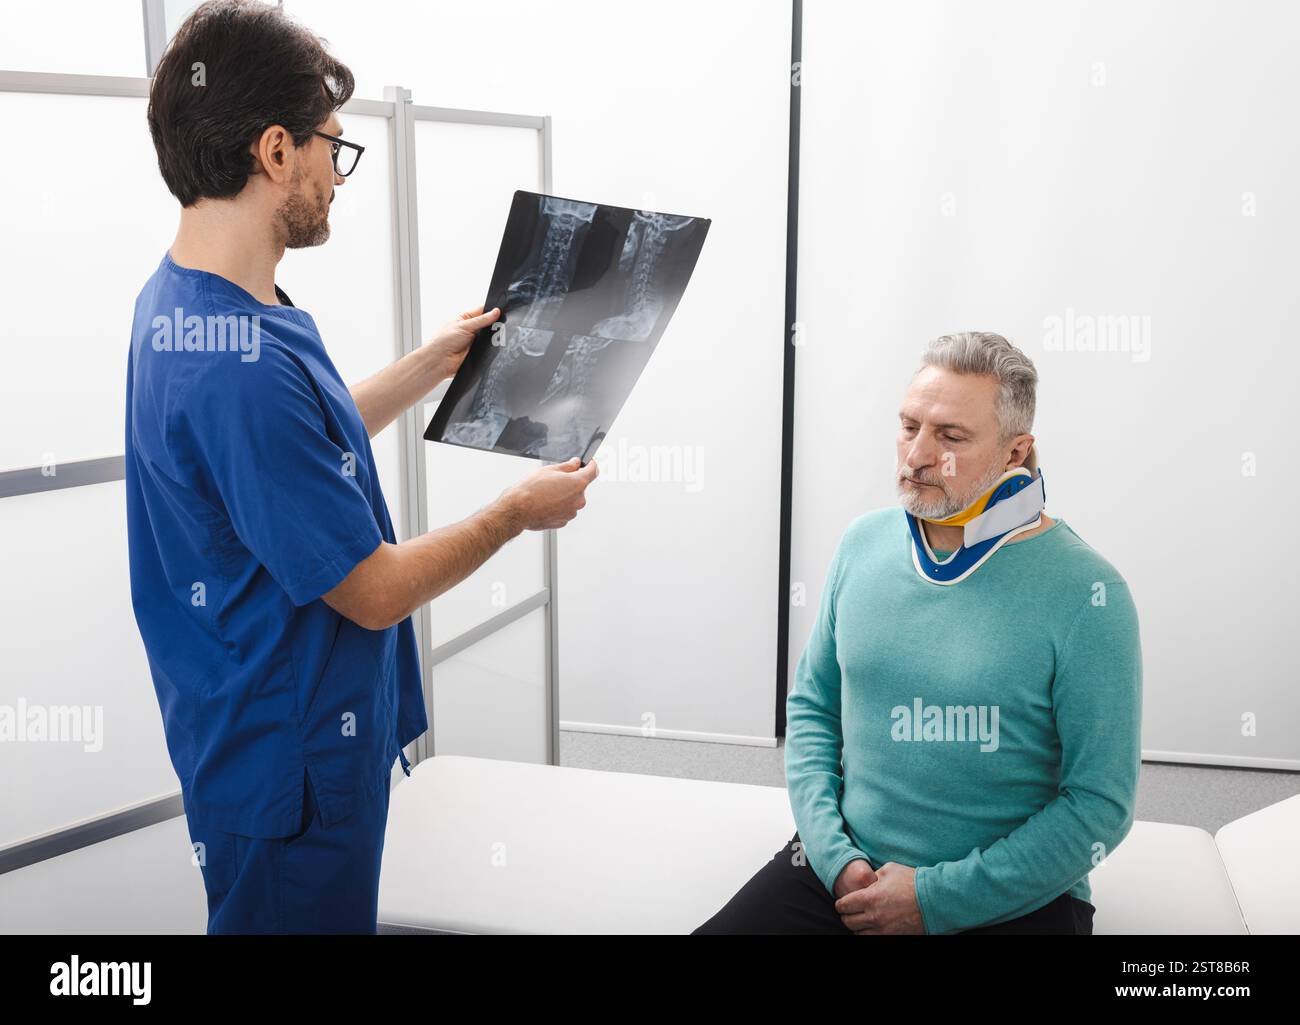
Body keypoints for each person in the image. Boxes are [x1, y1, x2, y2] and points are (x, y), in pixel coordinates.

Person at [125, 0, 597, 934]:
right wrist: (514, 513)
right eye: (331, 150)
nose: (337, 178)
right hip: (289, 771)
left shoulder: (190, 305)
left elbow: (299, 454)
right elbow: (374, 592)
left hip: (261, 738)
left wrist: (433, 364)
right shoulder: (239, 366)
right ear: (273, 152)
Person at [694, 331, 1142, 934]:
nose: (916, 457)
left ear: (1016, 454)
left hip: (1009, 898)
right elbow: (811, 708)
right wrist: (835, 858)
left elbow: (1099, 804)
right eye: (909, 427)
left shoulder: (1088, 593)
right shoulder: (863, 544)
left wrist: (934, 898)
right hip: (845, 876)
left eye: (950, 437)